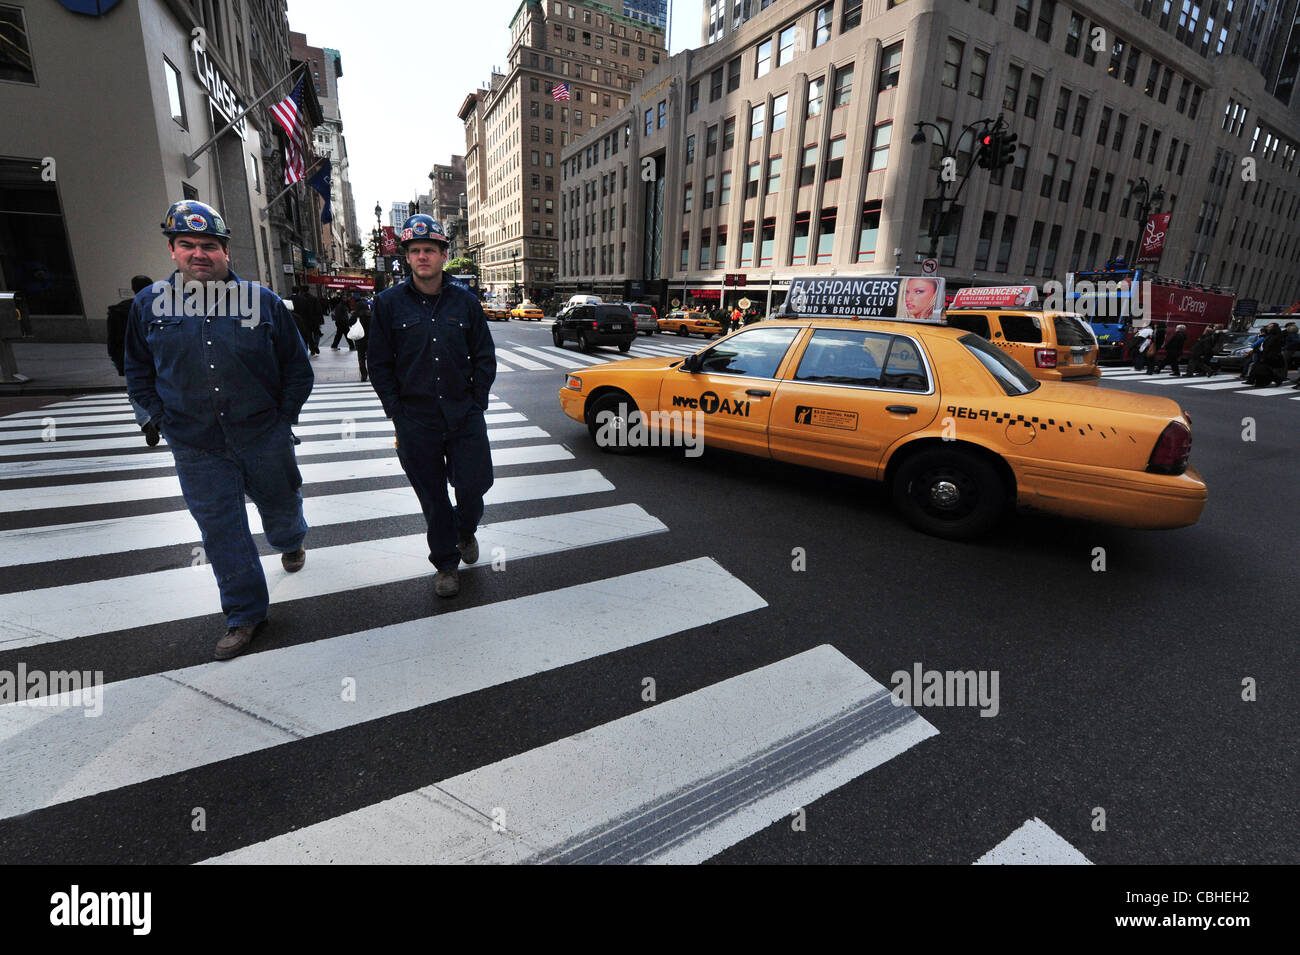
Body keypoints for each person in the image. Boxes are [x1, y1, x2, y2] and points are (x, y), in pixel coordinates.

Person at [124, 200, 313, 660]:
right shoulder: (149, 307)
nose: (198, 253)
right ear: (172, 250)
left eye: (209, 245)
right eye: (187, 244)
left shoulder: (261, 302)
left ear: (226, 251)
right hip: (195, 445)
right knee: (222, 532)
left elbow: (297, 367)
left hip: (263, 436)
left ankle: (290, 540)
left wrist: (283, 420)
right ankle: (245, 614)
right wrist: (155, 418)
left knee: (281, 504)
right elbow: (136, 369)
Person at [368, 215, 496, 599]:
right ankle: (445, 563)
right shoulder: (388, 305)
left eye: (430, 250)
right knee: (434, 497)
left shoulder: (467, 303)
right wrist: (396, 412)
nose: (422, 257)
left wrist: (477, 402)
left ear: (443, 255)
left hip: (464, 416)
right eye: (415, 251)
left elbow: (484, 356)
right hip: (416, 421)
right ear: (407, 258)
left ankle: (466, 529)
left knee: (474, 486)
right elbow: (378, 363)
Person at [107, 274, 160, 446]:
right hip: (154, 353)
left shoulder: (119, 311)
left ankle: (146, 420)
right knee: (160, 386)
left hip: (128, 356)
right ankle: (159, 417)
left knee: (135, 391)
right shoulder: (158, 306)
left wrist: (116, 359)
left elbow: (112, 339)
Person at [351, 297, 371, 382]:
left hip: (359, 339)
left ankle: (363, 375)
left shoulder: (355, 315)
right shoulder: (370, 315)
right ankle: (372, 374)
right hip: (369, 339)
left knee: (361, 357)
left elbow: (349, 323)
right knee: (370, 358)